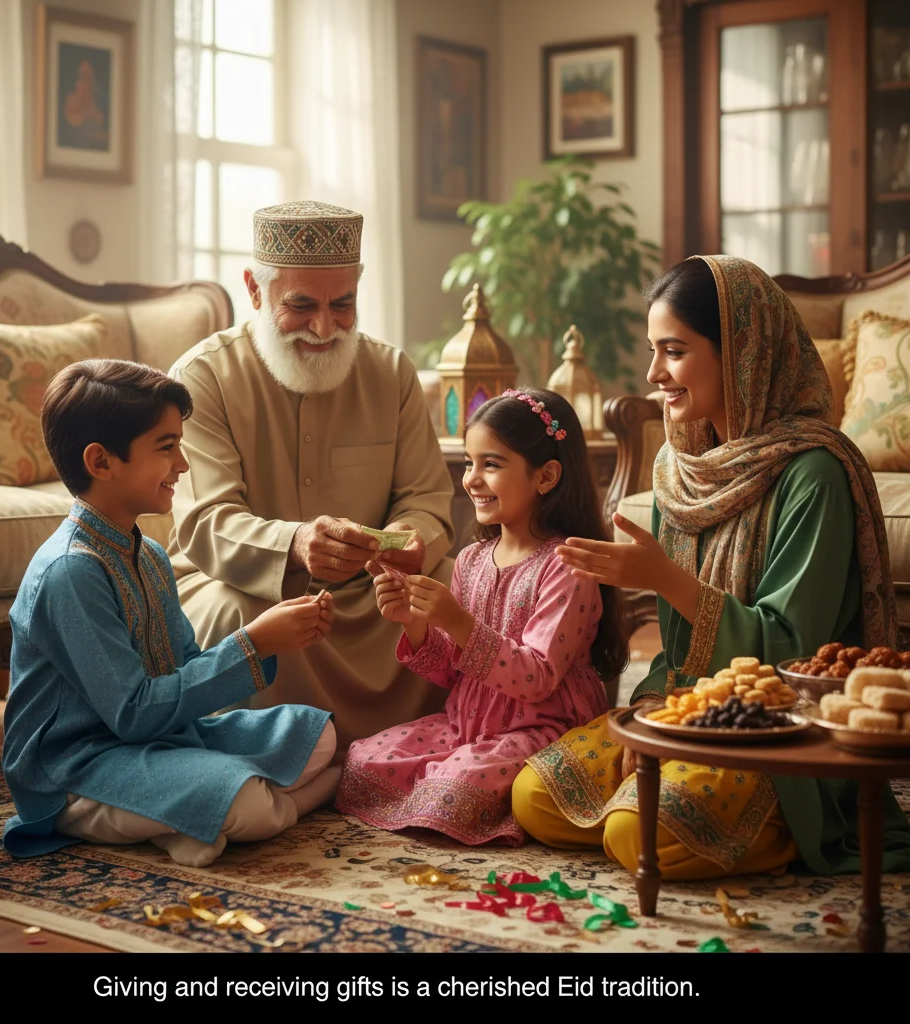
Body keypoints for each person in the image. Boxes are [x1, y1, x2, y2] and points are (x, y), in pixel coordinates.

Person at [512, 255, 910, 878]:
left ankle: (785, 828)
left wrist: (661, 578)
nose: (653, 374)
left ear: (742, 354)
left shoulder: (815, 475)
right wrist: (648, 722)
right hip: (688, 707)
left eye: (674, 350)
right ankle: (691, 815)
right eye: (653, 350)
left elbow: (793, 653)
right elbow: (673, 658)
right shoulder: (680, 469)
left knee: (636, 829)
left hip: (779, 729)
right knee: (533, 795)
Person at [2, 359, 340, 869]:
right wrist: (254, 643)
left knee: (318, 737)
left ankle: (195, 816)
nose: (182, 464)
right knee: (248, 798)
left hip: (159, 740)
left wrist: (271, 640)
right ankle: (242, 809)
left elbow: (184, 673)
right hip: (75, 769)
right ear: (100, 462)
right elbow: (134, 713)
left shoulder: (150, 556)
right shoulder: (71, 572)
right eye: (167, 447)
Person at [168, 201, 454, 754]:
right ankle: (286, 758)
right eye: (301, 306)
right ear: (255, 290)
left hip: (374, 595)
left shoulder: (390, 372)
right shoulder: (203, 377)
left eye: (342, 304)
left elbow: (426, 497)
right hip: (249, 586)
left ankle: (412, 754)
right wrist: (294, 544)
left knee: (450, 587)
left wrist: (414, 541)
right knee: (245, 616)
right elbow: (206, 521)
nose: (324, 328)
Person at [335, 388, 628, 844]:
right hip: (467, 725)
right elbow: (453, 672)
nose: (472, 479)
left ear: (546, 476)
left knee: (456, 789)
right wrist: (411, 619)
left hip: (541, 729)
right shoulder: (471, 559)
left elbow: (537, 678)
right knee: (362, 759)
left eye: (490, 464)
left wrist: (457, 621)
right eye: (469, 463)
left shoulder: (567, 566)